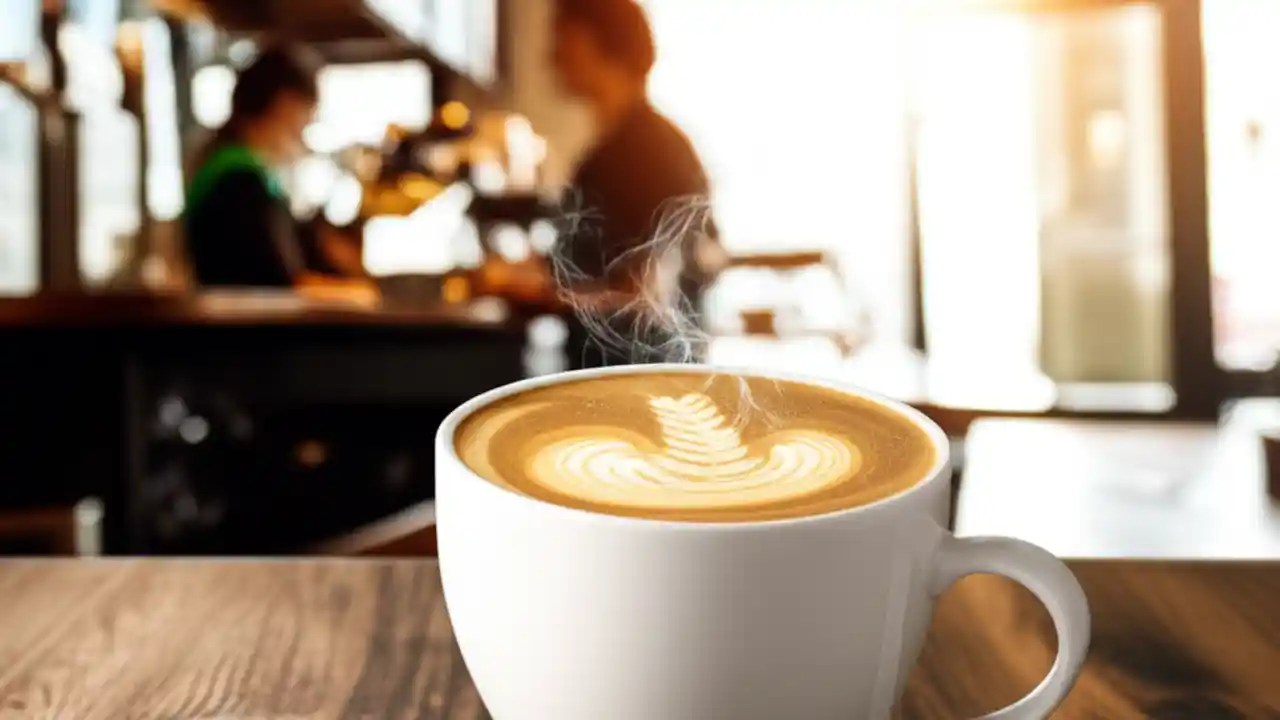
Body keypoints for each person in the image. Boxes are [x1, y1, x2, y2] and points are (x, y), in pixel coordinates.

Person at [551, 0, 726, 367]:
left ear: (594, 42)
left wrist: (537, 286)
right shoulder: (643, 144)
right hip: (643, 367)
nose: (551, 54)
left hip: (634, 370)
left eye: (563, 37)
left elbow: (644, 285)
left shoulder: (641, 153)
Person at [184, 46, 370, 298]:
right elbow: (278, 286)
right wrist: (363, 295)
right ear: (285, 104)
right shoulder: (239, 179)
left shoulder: (233, 170)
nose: (305, 131)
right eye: (308, 114)